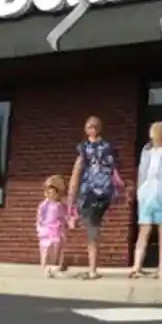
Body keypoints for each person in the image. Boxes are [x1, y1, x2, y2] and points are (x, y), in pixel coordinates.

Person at [67, 115, 123, 280]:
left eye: (93, 127)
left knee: (92, 228)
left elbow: (77, 172)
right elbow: (112, 170)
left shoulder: (89, 148)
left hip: (93, 191)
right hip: (99, 191)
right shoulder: (102, 148)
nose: (92, 130)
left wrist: (72, 196)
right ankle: (92, 267)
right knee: (93, 226)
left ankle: (92, 269)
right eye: (90, 127)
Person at [130, 121, 162, 279]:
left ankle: (138, 265)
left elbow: (142, 174)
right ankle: (160, 266)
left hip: (149, 191)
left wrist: (139, 190)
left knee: (146, 229)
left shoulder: (150, 152)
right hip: (161, 191)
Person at [37, 175, 68, 277]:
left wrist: (63, 226)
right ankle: (45, 267)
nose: (49, 194)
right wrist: (40, 227)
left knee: (56, 249)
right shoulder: (44, 205)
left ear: (56, 194)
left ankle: (53, 268)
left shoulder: (59, 205)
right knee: (46, 249)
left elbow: (62, 217)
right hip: (46, 229)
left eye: (52, 193)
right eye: (47, 192)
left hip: (56, 230)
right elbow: (40, 217)